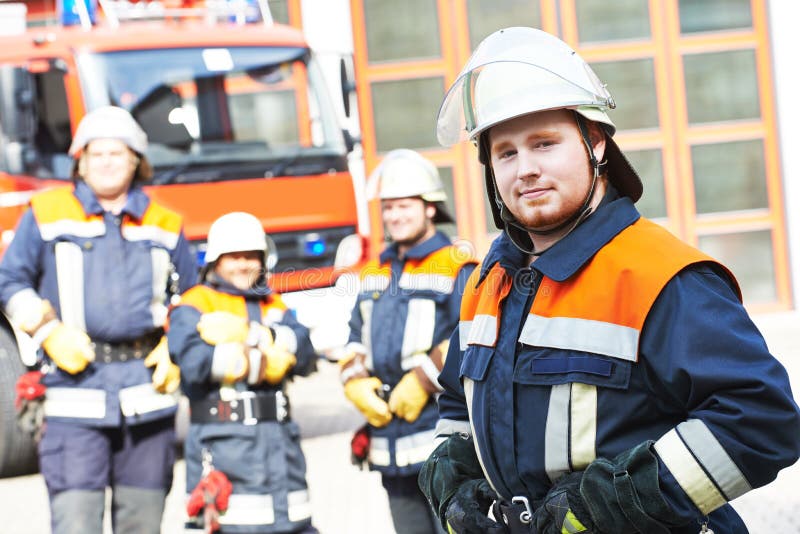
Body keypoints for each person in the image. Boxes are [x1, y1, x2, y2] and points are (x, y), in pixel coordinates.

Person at [418, 27, 800, 534]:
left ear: (596, 143)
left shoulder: (659, 276)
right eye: (506, 153)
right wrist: (453, 475)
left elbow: (760, 422)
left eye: (544, 143)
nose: (525, 169)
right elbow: (456, 401)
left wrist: (609, 506)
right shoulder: (489, 283)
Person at [0, 106, 197, 533]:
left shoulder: (164, 223)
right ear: (81, 162)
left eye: (118, 153)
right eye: (97, 153)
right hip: (73, 397)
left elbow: (194, 297)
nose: (107, 162)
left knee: (142, 524)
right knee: (75, 524)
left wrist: (177, 345)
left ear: (136, 161)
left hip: (147, 398)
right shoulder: (46, 213)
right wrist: (49, 332)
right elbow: (10, 281)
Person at [340, 149, 477, 534]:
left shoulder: (457, 265)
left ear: (430, 208)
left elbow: (470, 336)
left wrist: (421, 379)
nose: (394, 216)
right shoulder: (375, 270)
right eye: (388, 208)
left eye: (404, 206)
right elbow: (353, 335)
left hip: (443, 439)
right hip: (389, 442)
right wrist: (353, 381)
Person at [167, 211, 319, 533]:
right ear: (215, 261)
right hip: (222, 447)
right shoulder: (194, 304)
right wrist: (261, 361)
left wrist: (261, 336)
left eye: (252, 256)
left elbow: (305, 350)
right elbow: (193, 362)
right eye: (234, 256)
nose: (244, 264)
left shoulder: (271, 304)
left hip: (280, 447)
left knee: (294, 523)